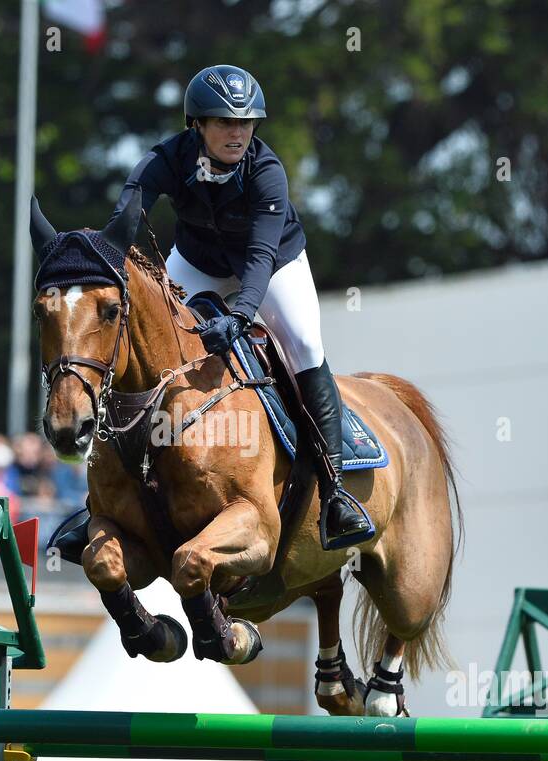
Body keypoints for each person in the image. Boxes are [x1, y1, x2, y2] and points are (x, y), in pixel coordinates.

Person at [104, 64, 372, 549]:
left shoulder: (267, 172)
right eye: (225, 122)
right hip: (198, 260)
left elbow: (260, 257)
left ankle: (335, 493)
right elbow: (124, 219)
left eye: (245, 123)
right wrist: (98, 261)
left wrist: (241, 315)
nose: (237, 133)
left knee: (305, 344)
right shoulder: (164, 159)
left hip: (271, 264)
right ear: (197, 126)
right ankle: (112, 489)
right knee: (147, 340)